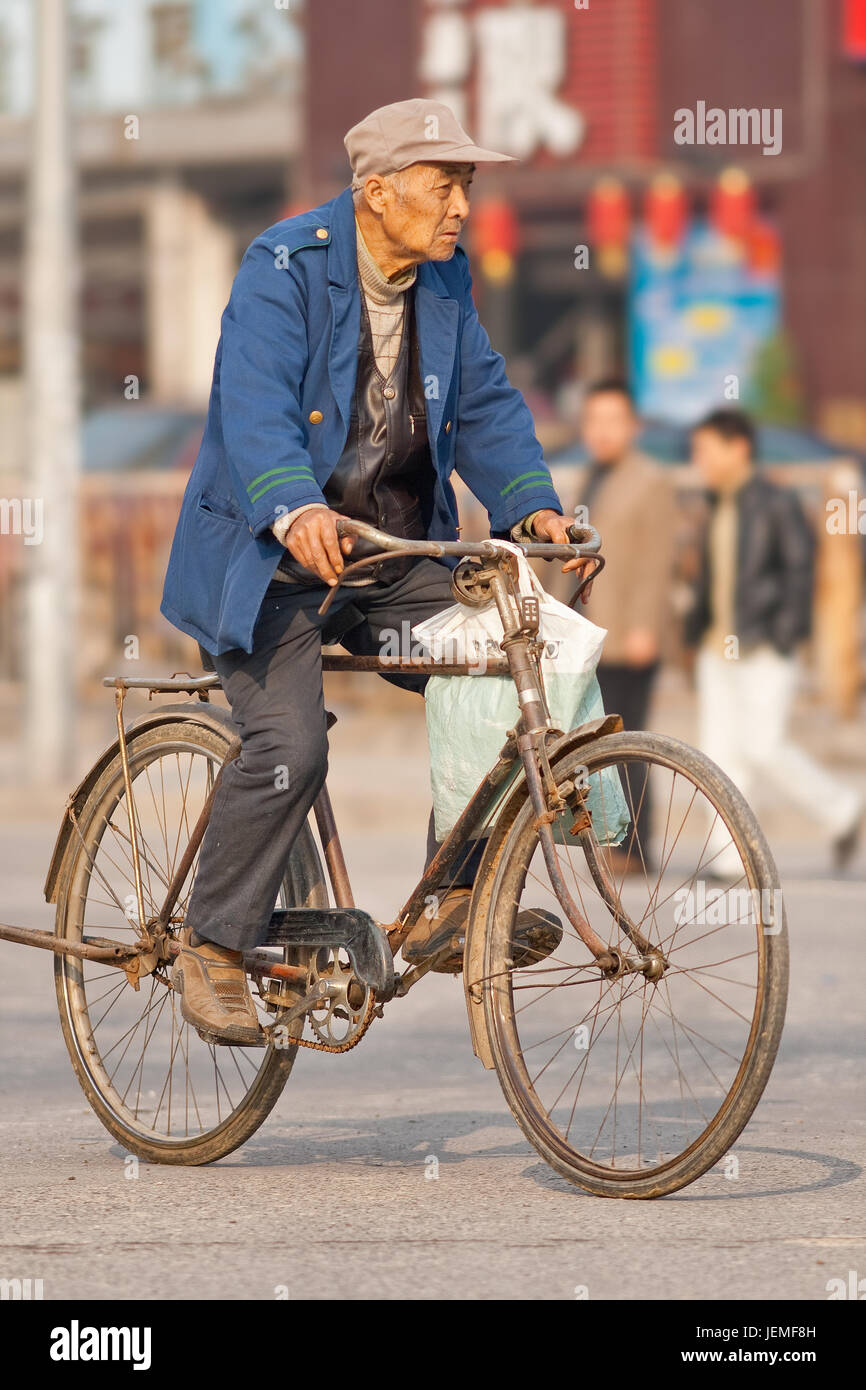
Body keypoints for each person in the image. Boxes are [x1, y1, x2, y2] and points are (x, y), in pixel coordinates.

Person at [159, 98, 590, 1044]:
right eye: (445, 186)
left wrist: (530, 503)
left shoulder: (442, 283)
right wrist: (294, 501)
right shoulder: (283, 265)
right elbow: (254, 399)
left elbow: (482, 399)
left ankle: (453, 897)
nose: (460, 209)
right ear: (376, 190)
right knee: (291, 747)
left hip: (386, 558)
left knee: (497, 650)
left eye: (465, 189)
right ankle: (215, 948)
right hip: (269, 565)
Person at [686, 407, 862, 879]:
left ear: (738, 447)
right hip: (715, 648)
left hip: (763, 646)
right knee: (719, 754)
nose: (698, 458)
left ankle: (842, 809)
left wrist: (784, 636)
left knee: (762, 745)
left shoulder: (776, 502)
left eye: (706, 448)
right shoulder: (716, 503)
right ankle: (728, 859)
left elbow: (801, 571)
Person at [560, 379, 676, 871]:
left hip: (631, 634)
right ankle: (609, 839)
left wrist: (645, 627)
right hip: (590, 633)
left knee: (630, 744)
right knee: (598, 743)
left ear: (633, 426)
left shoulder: (651, 480)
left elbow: (657, 561)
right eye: (594, 421)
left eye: (614, 421)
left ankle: (635, 848)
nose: (603, 431)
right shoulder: (586, 479)